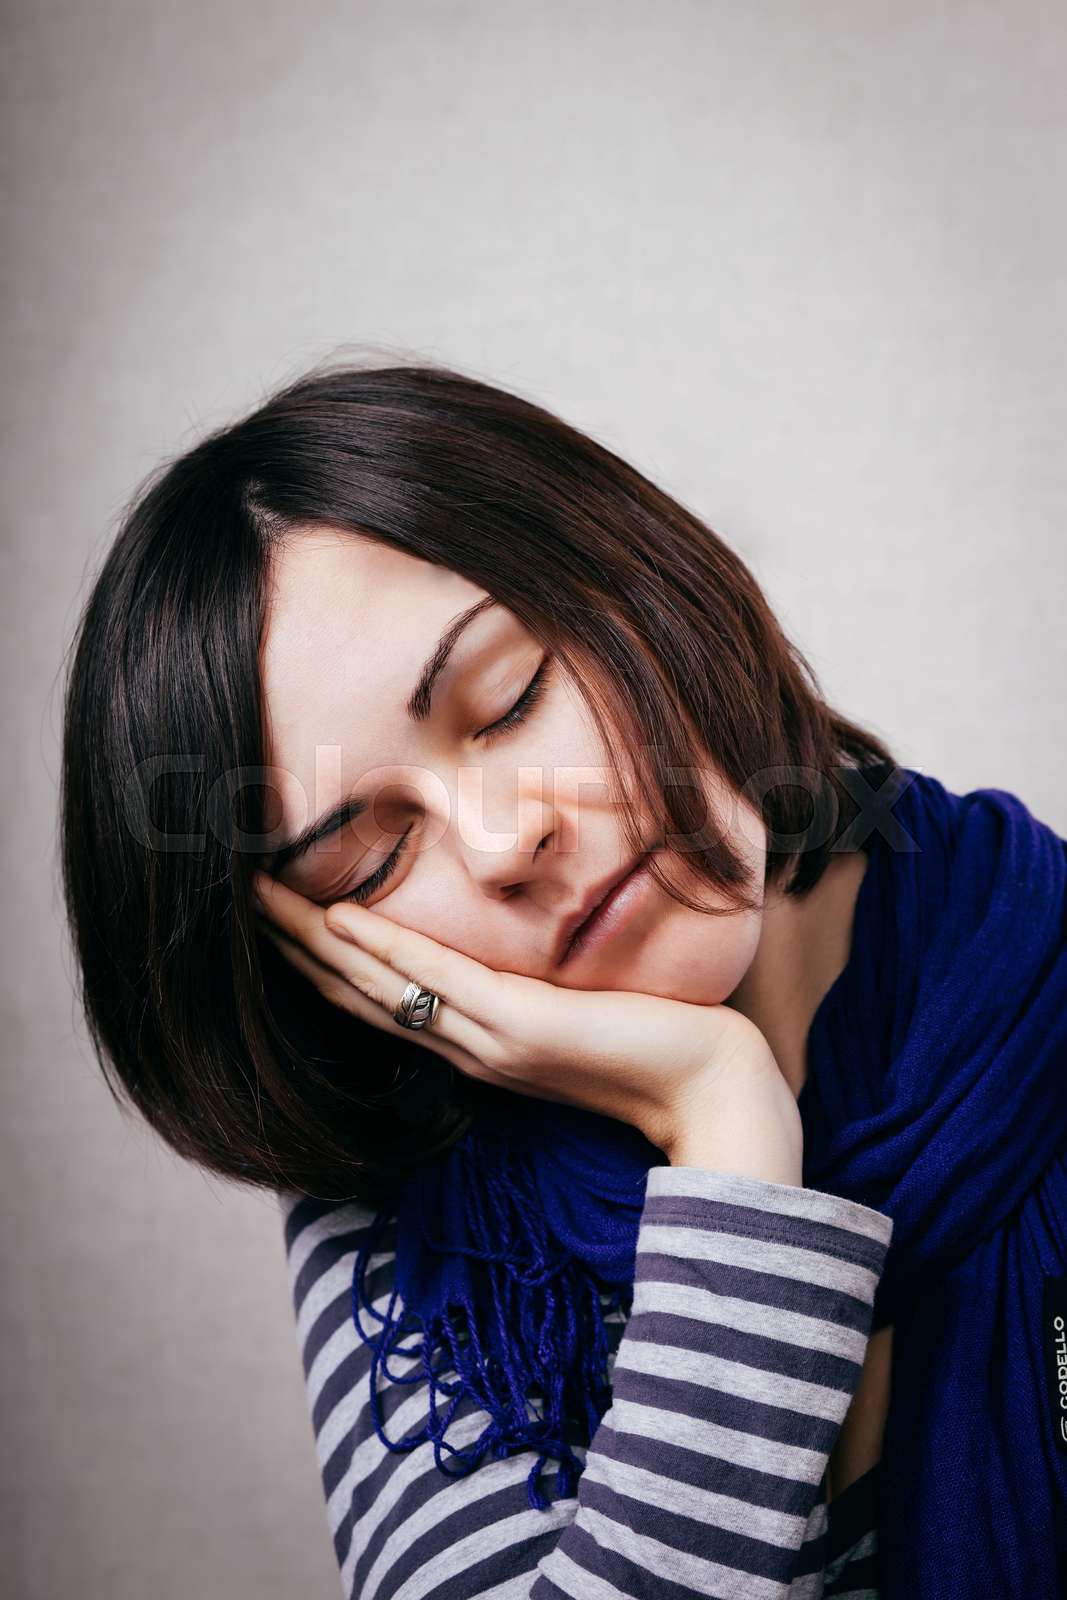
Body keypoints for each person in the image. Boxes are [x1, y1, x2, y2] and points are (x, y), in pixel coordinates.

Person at [59, 360, 1067, 1598]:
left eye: (511, 696)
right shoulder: (425, 1226)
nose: (503, 837)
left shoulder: (1036, 963)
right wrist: (723, 1125)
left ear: (633, 585)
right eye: (372, 857)